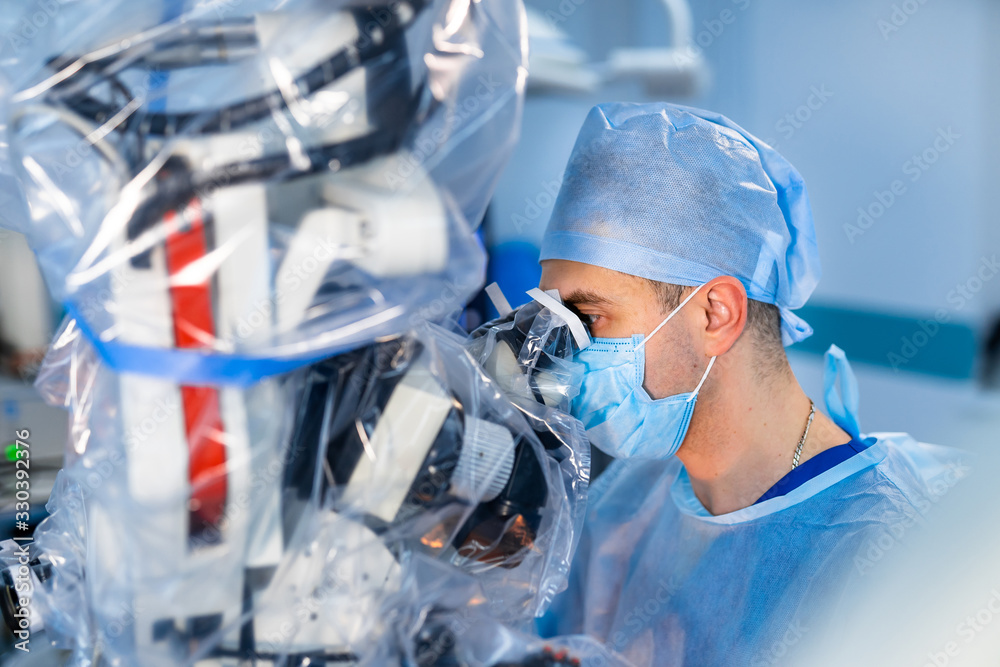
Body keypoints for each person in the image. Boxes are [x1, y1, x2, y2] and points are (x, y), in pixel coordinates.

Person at [535, 102, 966, 666]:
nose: (561, 356)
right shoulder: (631, 502)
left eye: (588, 319)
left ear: (716, 313)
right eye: (553, 320)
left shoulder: (885, 561)